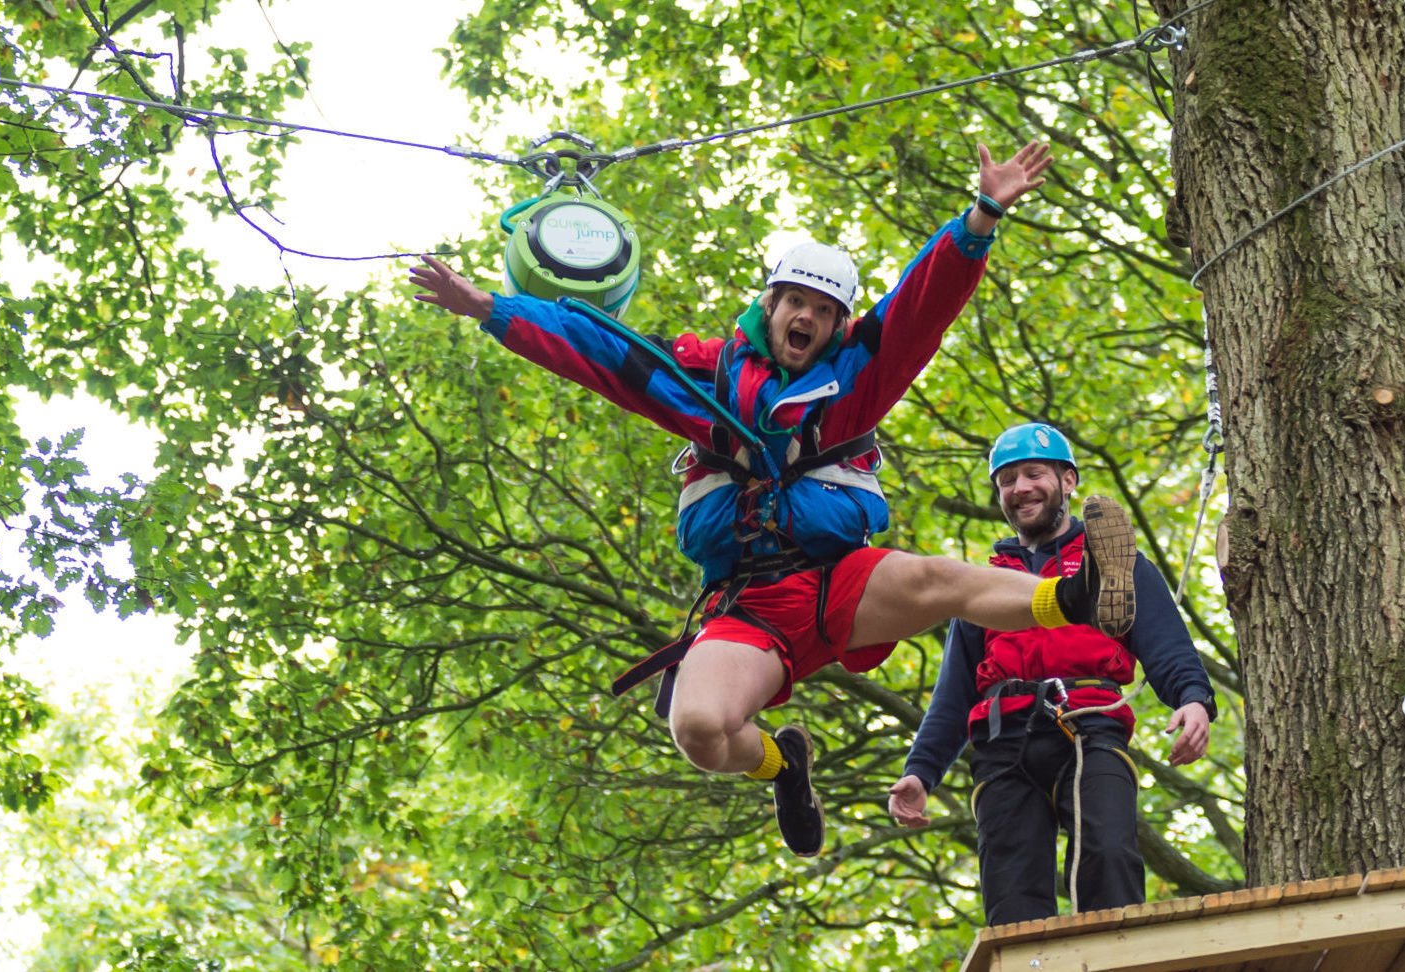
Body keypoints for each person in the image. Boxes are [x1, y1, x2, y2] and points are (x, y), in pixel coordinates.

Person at [410, 140, 1126, 860]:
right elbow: (605, 352)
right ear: (770, 305)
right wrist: (491, 310)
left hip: (837, 582)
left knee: (934, 577)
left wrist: (980, 217)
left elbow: (920, 305)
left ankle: (1075, 594)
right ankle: (783, 767)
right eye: (795, 303)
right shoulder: (707, 376)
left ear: (836, 324)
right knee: (698, 728)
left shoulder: (858, 376)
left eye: (822, 309)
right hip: (748, 604)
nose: (805, 319)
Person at [886, 423, 1216, 923]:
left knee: (1107, 855)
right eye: (1007, 480)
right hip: (1003, 741)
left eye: (1034, 474)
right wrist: (920, 771)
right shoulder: (985, 586)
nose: (1020, 488)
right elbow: (952, 696)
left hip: (1088, 725)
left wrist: (1192, 698)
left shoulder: (1117, 565)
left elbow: (1166, 645)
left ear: (1067, 481)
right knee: (1012, 892)